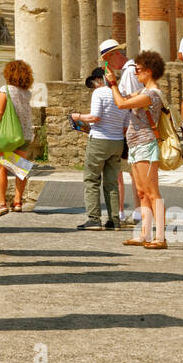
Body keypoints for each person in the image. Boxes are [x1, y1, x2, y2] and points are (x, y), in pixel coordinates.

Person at [108, 50, 168, 249]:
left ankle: (160, 237)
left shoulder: (151, 94)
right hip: (136, 145)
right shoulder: (143, 92)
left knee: (152, 192)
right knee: (142, 192)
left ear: (149, 72)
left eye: (139, 70)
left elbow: (121, 103)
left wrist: (113, 84)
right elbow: (124, 97)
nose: (136, 73)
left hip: (146, 145)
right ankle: (144, 234)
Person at [70, 54, 128, 231]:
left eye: (94, 82)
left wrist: (77, 117)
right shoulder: (122, 94)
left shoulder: (100, 93)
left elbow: (95, 117)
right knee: (111, 183)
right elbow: (125, 125)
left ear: (98, 79)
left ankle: (94, 219)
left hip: (99, 141)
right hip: (117, 141)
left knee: (92, 179)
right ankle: (114, 220)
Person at [95, 38, 138, 224]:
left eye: (107, 60)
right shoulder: (129, 71)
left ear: (115, 55)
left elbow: (131, 103)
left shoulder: (129, 72)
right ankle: (135, 211)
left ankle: (139, 211)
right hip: (129, 128)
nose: (107, 65)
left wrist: (113, 87)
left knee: (135, 173)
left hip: (132, 129)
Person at [0, 59, 36, 219]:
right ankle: (17, 202)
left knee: (1, 168)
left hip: (8, 135)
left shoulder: (5, 89)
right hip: (25, 134)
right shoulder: (26, 93)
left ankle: (1, 203)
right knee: (20, 168)